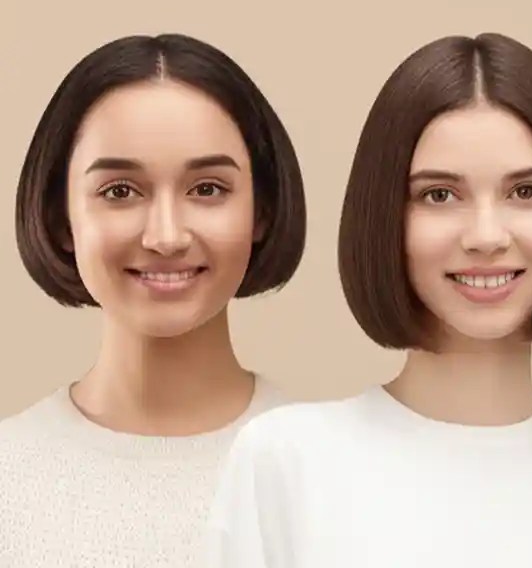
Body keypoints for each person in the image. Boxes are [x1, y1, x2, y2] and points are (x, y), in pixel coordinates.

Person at [207, 33, 532, 567]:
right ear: (386, 217)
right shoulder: (286, 462)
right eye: (439, 195)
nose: (486, 235)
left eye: (526, 192)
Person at [0, 33, 305, 567]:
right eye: (120, 191)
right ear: (61, 218)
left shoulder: (335, 471)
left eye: (207, 189)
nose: (166, 236)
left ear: (261, 211)